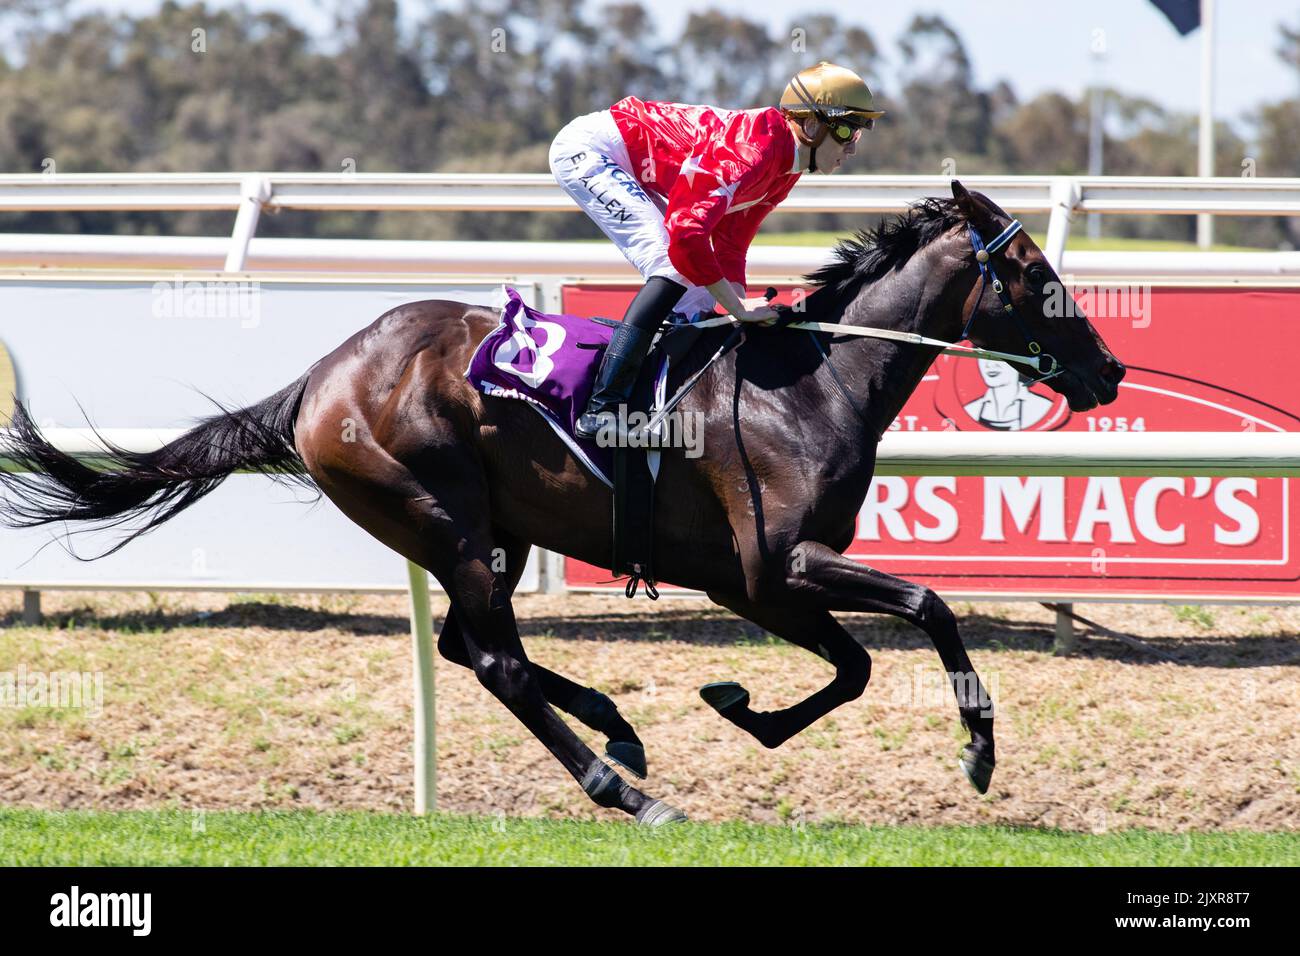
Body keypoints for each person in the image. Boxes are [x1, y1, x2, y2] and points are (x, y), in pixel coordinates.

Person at [548, 61, 884, 439]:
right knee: (672, 263)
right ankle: (603, 409)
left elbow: (731, 242)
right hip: (591, 150)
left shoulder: (786, 167)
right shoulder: (753, 150)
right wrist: (738, 308)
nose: (852, 148)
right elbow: (688, 234)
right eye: (846, 131)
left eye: (857, 135)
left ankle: (656, 401)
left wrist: (739, 306)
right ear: (810, 126)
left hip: (630, 159)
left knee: (697, 301)